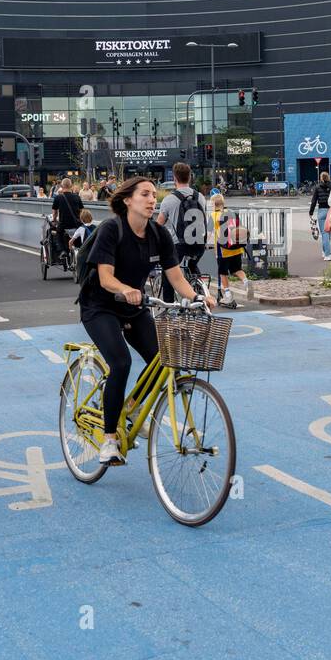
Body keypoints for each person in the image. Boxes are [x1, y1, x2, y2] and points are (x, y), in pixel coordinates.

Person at [79, 177, 216, 465]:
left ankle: (132, 406)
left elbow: (175, 277)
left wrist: (198, 297)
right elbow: (105, 277)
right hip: (100, 305)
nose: (152, 199)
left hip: (135, 305)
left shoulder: (159, 234)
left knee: (164, 358)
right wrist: (125, 289)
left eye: (154, 194)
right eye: (145, 194)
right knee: (121, 363)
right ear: (128, 200)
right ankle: (109, 440)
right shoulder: (111, 229)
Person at [155, 162, 212, 301]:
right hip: (199, 244)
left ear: (174, 178)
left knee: (169, 272)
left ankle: (168, 306)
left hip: (179, 245)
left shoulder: (169, 200)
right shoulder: (200, 197)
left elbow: (158, 225)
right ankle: (201, 292)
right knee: (193, 264)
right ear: (190, 178)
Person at [212, 194, 248, 307]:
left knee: (223, 273)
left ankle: (227, 295)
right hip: (237, 248)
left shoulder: (214, 216)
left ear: (214, 204)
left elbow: (209, 233)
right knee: (237, 269)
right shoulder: (233, 213)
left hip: (223, 250)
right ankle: (246, 281)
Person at [307, 171, 331, 261]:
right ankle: (324, 250)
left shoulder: (317, 187)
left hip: (322, 211)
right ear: (328, 177)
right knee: (328, 233)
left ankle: (328, 254)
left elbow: (314, 201)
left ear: (321, 178)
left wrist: (311, 212)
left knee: (324, 233)